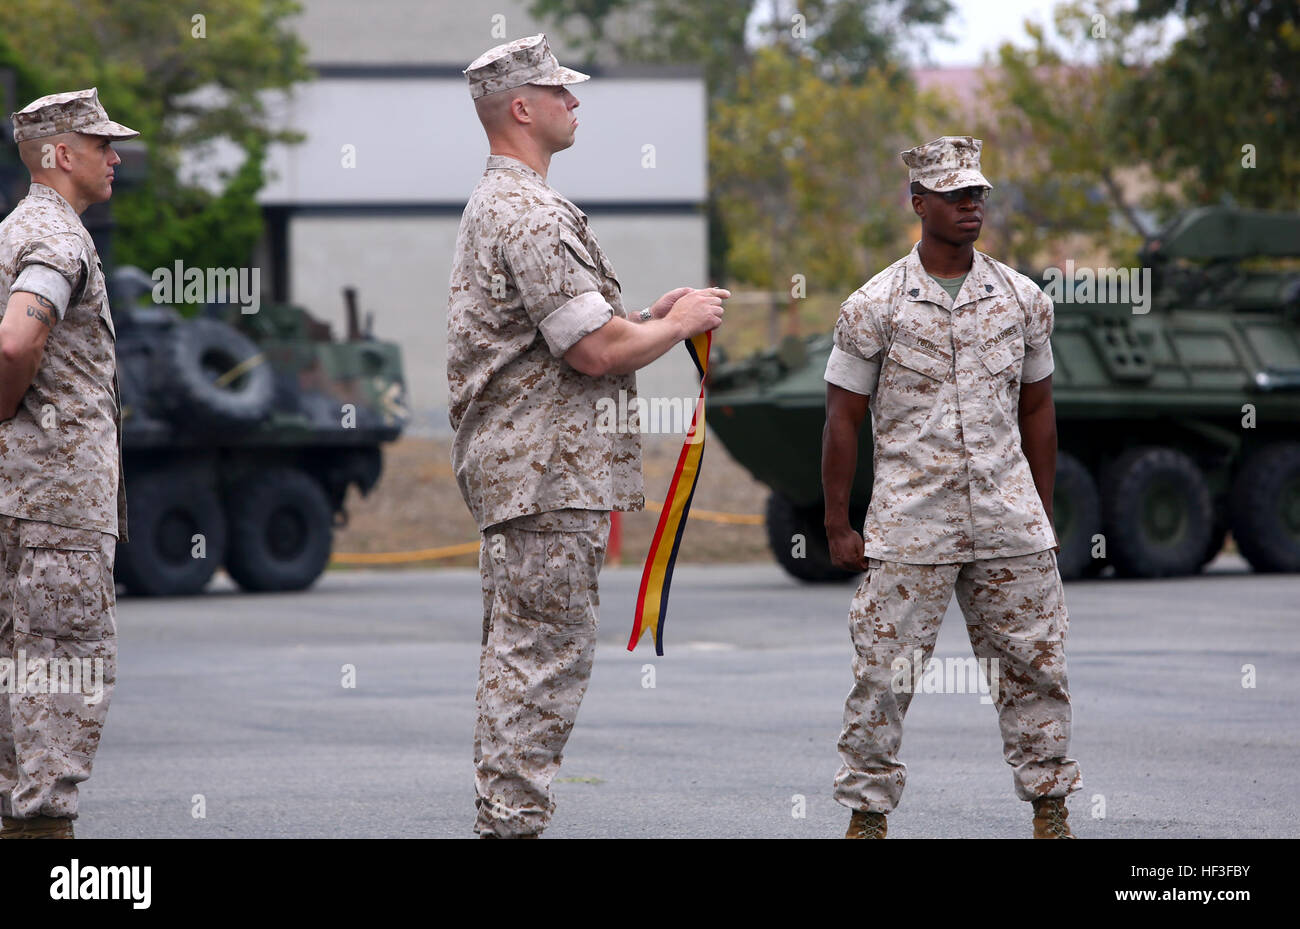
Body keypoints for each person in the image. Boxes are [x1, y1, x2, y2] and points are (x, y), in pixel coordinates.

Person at [447, 34, 726, 838]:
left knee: (522, 659)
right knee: (540, 665)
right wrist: (678, 326)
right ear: (522, 109)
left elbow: (575, 336)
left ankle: (506, 820)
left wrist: (649, 320)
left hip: (530, 473)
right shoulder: (530, 212)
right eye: (561, 93)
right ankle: (510, 826)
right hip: (546, 477)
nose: (577, 103)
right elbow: (594, 351)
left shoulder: (502, 203)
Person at [821, 136, 1081, 839]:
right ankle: (867, 816)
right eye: (955, 194)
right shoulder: (872, 305)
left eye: (978, 193)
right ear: (919, 202)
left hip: (1008, 517)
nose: (972, 204)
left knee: (1035, 665)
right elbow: (842, 416)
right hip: (912, 521)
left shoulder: (1023, 299)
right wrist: (839, 522)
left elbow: (1038, 408)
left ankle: (1050, 809)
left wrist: (1041, 511)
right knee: (883, 674)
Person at [0, 88, 136, 839]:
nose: (113, 156)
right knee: (60, 670)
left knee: (15, 666)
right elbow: (16, 342)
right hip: (56, 506)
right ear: (58, 153)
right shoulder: (58, 237)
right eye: (99, 143)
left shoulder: (13, 227)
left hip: (16, 495)